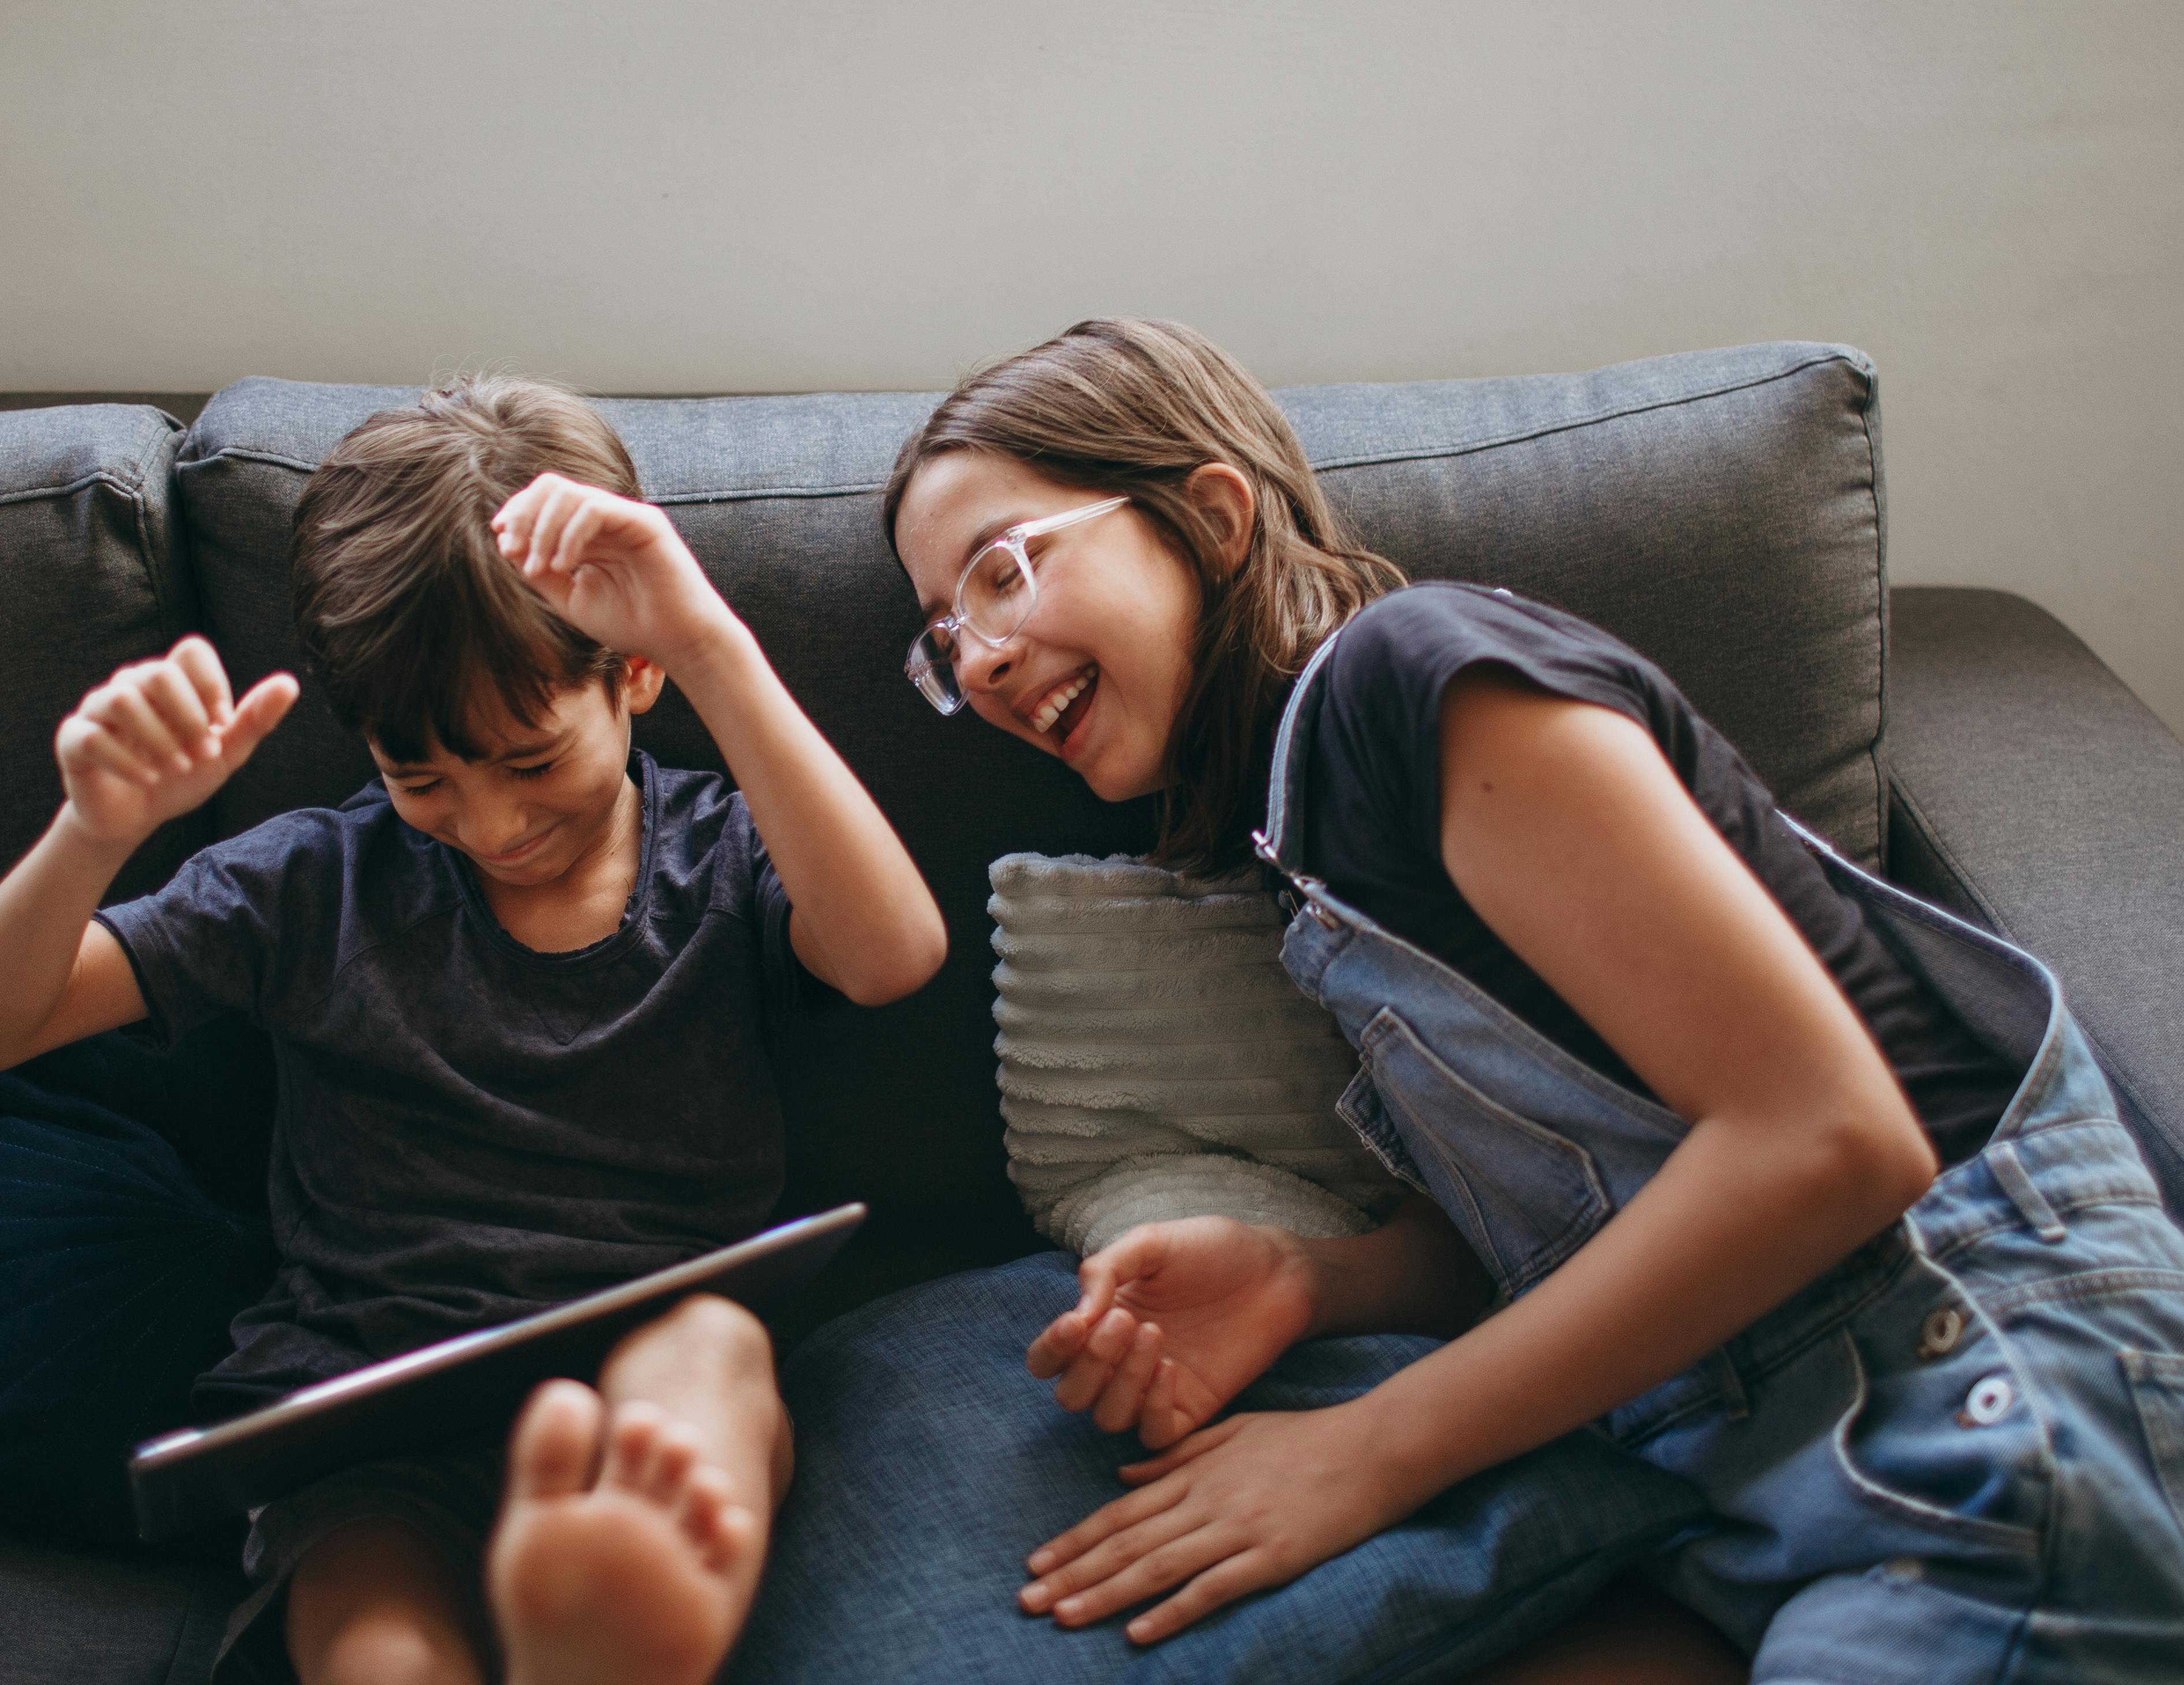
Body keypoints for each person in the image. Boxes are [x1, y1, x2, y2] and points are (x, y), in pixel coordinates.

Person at [865, 318, 2184, 1683]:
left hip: (1977, 1393)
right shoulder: (1297, 831)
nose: (979, 660)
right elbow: (1614, 1203)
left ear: (1208, 516)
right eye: (942, 635)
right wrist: (1314, 1280)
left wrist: (1368, 1450)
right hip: (1738, 1474)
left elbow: (1827, 1137)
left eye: (1003, 570)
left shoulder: (1415, 679)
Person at [0, 378, 946, 1685]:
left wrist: (707, 640)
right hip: (370, 1412)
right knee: (374, 1627)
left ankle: (614, 1627)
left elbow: (891, 956)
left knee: (714, 1352)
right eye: (424, 780)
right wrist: (97, 830)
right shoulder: (307, 884)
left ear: (629, 673)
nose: (492, 823)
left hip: (644, 1370)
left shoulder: (723, 855)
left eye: (529, 759)